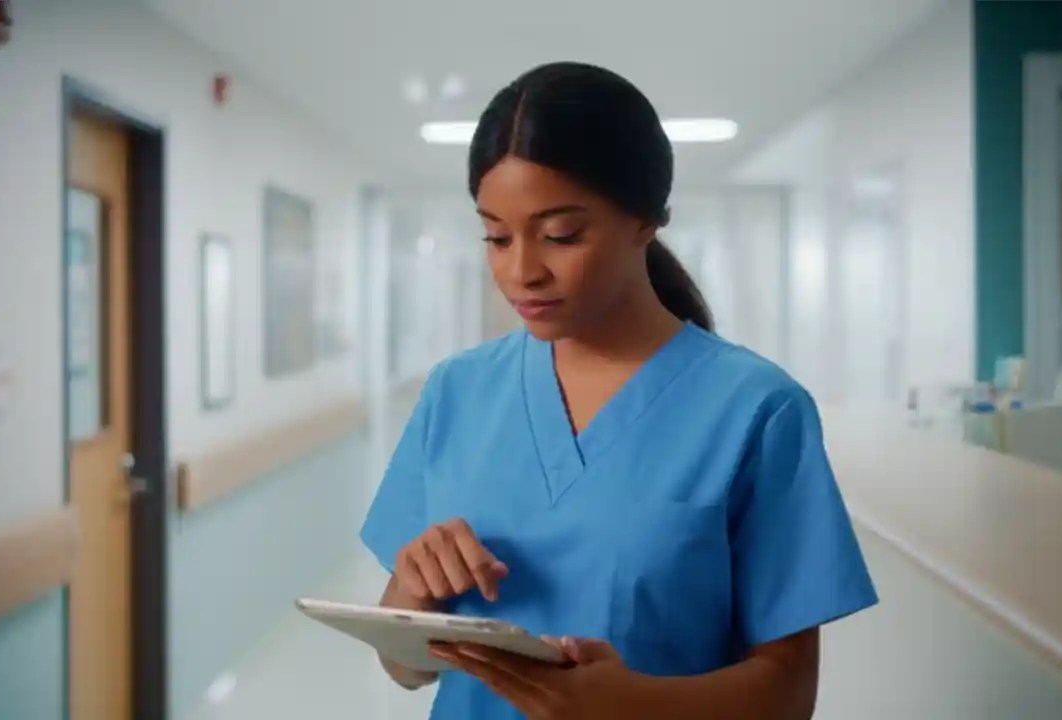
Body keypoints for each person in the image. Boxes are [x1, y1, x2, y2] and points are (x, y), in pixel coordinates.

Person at [360, 61, 877, 720]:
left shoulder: (756, 410)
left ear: (645, 220)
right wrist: (412, 590)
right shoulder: (457, 391)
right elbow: (406, 669)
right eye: (495, 236)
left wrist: (637, 706)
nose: (521, 271)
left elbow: (788, 692)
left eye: (561, 236)